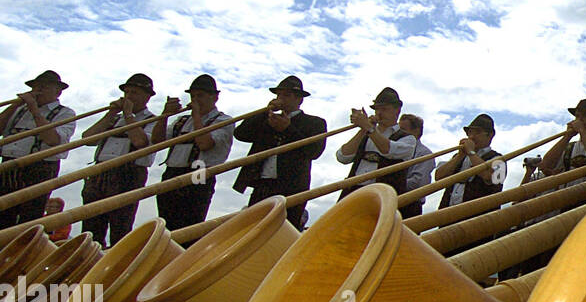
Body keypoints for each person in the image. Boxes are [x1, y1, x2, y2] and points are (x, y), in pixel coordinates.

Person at [232, 76, 328, 230]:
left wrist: (288, 129)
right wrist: (264, 112)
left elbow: (314, 151)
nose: (281, 99)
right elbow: (240, 134)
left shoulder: (314, 123)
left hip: (292, 187)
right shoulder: (267, 119)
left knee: (285, 230)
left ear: (299, 100)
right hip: (262, 183)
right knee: (254, 229)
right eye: (279, 95)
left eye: (287, 95)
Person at [80, 73, 157, 248]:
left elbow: (140, 142)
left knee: (120, 227)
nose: (128, 96)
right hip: (99, 174)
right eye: (127, 92)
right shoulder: (114, 119)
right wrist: (111, 113)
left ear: (147, 97)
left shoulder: (153, 120)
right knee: (91, 229)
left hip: (128, 175)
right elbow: (88, 139)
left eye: (134, 93)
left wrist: (129, 114)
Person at [151, 74, 235, 230]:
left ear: (214, 97)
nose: (195, 100)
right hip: (172, 172)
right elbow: (157, 141)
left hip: (200, 173)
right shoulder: (182, 120)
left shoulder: (223, 120)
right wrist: (164, 115)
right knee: (165, 223)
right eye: (193, 96)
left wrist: (196, 114)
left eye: (200, 96)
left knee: (190, 223)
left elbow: (204, 144)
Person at [0, 70, 76, 229]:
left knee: (28, 219)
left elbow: (52, 140)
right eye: (35, 88)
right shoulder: (19, 110)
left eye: (43, 87)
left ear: (58, 91)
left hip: (38, 169)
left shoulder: (66, 113)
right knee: (3, 217)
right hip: (8, 167)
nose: (37, 91)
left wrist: (35, 109)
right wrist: (15, 105)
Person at [336, 87, 418, 215]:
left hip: (382, 199)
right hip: (353, 193)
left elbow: (388, 150)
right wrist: (362, 130)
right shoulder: (366, 133)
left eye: (384, 109)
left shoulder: (408, 139)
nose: (379, 113)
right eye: (377, 109)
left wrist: (369, 128)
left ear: (397, 110)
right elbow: (343, 157)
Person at [436, 113, 504, 211]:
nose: (471, 137)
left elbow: (490, 177)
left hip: (480, 219)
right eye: (469, 132)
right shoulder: (459, 157)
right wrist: (460, 156)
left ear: (490, 135)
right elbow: (439, 177)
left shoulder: (499, 159)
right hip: (448, 216)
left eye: (477, 132)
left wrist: (471, 153)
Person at [398, 114, 437, 216]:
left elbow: (418, 183)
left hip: (409, 206)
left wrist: (393, 184)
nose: (399, 133)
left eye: (403, 129)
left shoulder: (424, 154)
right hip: (390, 201)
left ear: (416, 131)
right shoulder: (393, 149)